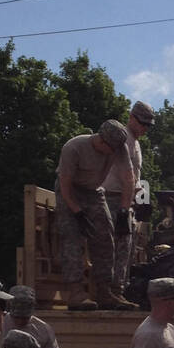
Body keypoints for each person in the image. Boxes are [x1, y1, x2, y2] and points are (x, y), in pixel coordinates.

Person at [55, 118, 137, 310]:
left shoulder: (118, 147)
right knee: (72, 237)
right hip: (71, 191)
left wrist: (124, 211)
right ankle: (76, 293)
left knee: (105, 237)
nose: (113, 153)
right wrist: (77, 213)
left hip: (94, 192)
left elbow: (128, 179)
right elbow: (65, 186)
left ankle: (104, 292)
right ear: (101, 140)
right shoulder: (74, 147)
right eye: (111, 148)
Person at [103, 101, 154, 298]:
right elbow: (126, 177)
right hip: (115, 199)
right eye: (142, 123)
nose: (145, 128)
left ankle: (119, 290)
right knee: (117, 248)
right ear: (132, 117)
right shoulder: (123, 138)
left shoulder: (135, 141)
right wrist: (124, 210)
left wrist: (140, 196)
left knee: (127, 250)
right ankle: (114, 292)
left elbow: (134, 178)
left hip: (125, 199)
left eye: (148, 125)